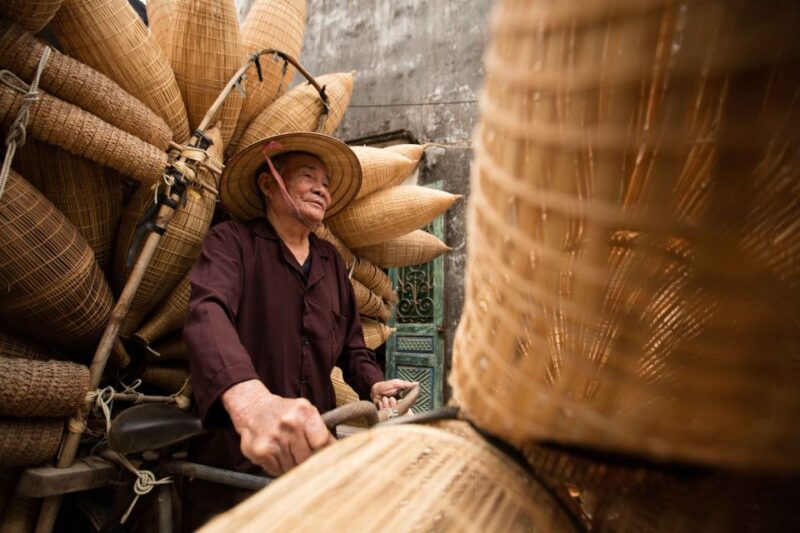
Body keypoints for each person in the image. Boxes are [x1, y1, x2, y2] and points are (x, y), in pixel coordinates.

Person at [182, 132, 415, 527]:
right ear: (269, 183)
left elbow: (353, 347)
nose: (321, 190)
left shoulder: (330, 262)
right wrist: (252, 403)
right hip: (240, 458)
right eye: (309, 177)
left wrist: (372, 384)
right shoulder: (233, 243)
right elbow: (208, 313)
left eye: (326, 183)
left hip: (313, 451)